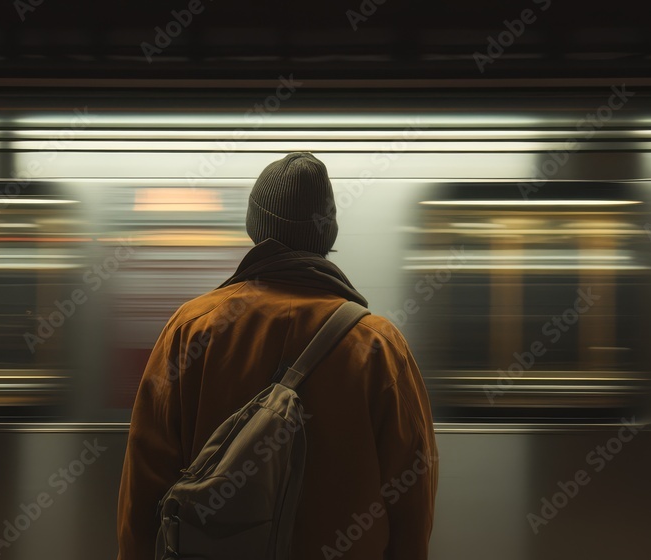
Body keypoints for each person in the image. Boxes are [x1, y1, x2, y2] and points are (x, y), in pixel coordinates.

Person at [116, 152, 438, 560]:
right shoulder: (378, 345)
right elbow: (412, 494)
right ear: (327, 237)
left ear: (256, 228)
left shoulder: (192, 328)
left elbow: (146, 478)